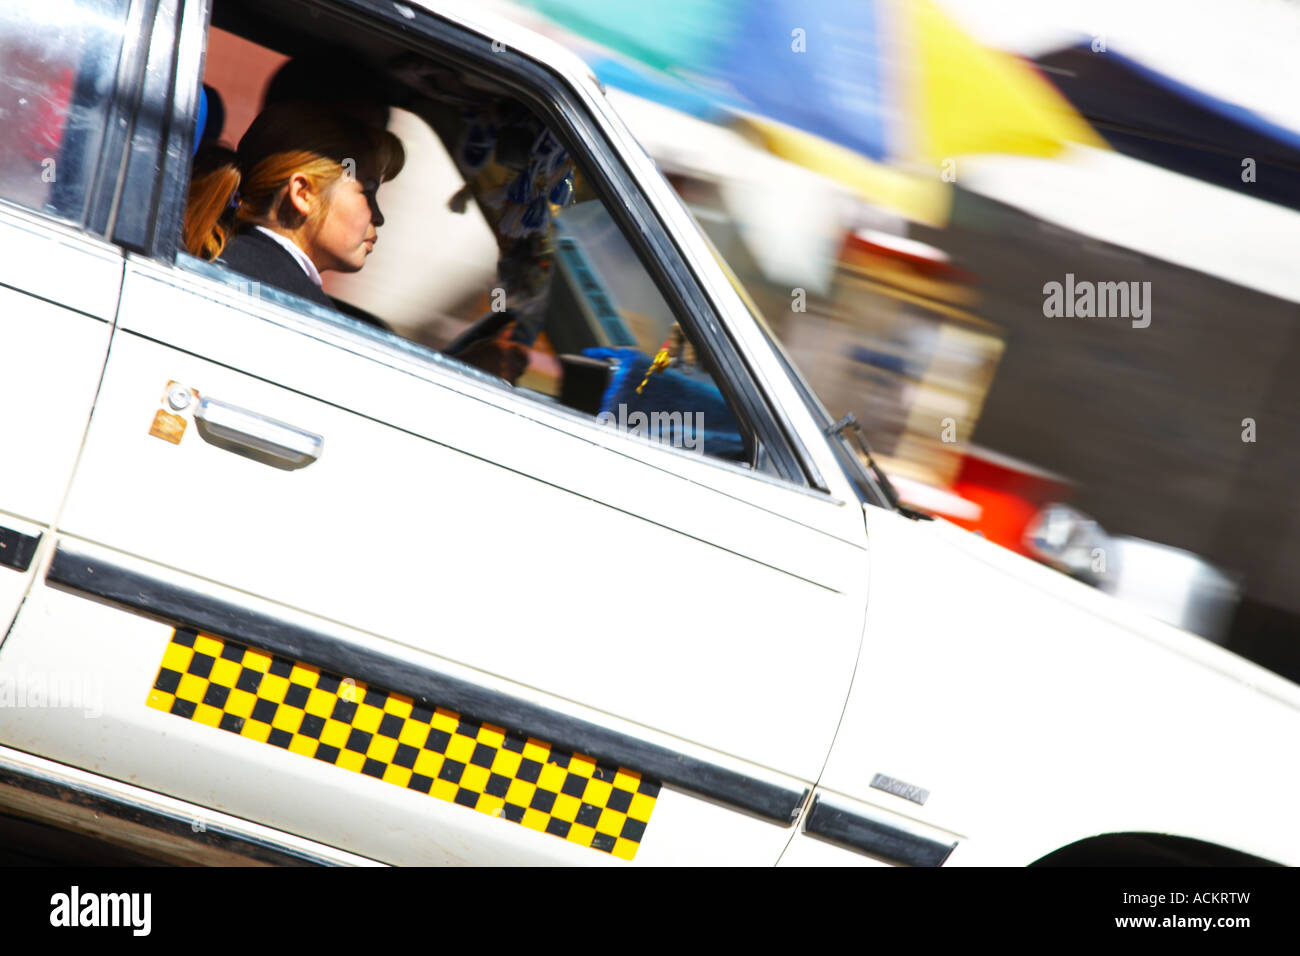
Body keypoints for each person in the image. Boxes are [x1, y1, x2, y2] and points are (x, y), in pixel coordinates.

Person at [183, 101, 405, 309]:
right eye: (367, 192)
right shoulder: (307, 311)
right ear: (303, 193)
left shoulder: (209, 258)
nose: (378, 217)